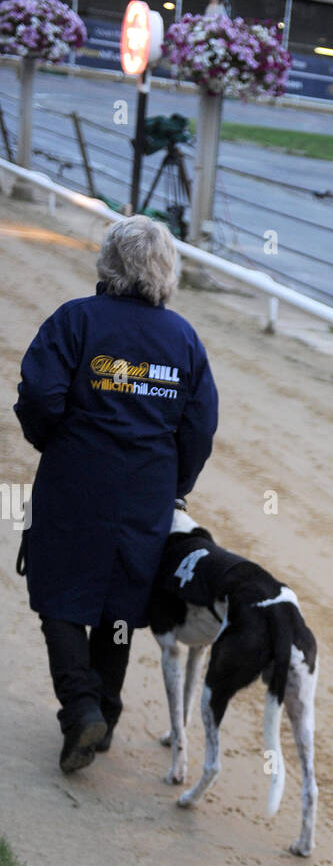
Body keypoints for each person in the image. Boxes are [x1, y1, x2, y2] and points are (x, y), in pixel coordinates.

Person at [15, 215, 218, 774]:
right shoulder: (184, 339)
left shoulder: (75, 320)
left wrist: (55, 443)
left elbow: (38, 396)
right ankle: (104, 707)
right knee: (118, 604)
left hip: (76, 482)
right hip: (145, 496)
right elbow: (199, 430)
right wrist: (173, 487)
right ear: (165, 270)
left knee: (58, 595)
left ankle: (83, 707)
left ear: (109, 263)